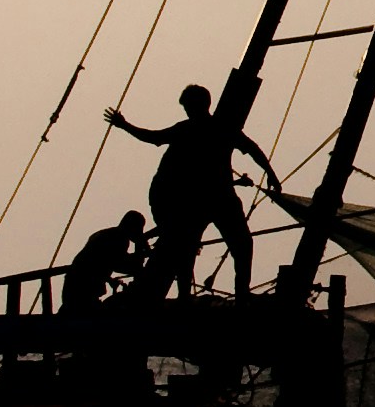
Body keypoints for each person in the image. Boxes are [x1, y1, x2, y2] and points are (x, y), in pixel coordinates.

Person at [106, 71, 280, 307]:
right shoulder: (206, 128)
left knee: (228, 244)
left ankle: (225, 295)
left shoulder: (200, 128)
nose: (187, 111)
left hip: (210, 198)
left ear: (197, 105)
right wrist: (270, 173)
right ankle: (203, 295)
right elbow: (155, 138)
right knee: (200, 246)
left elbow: (153, 137)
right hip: (202, 199)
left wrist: (270, 173)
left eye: (188, 106)